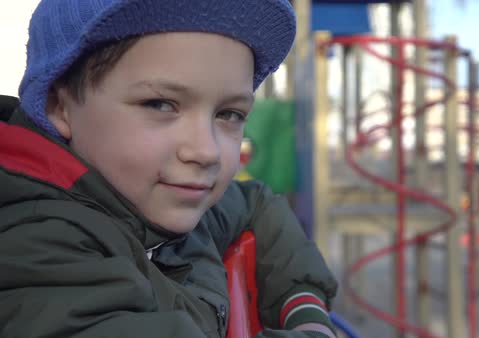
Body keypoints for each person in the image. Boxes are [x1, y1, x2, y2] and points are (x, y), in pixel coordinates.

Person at [0, 1, 338, 337]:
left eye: (229, 114)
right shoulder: (35, 252)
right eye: (160, 104)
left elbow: (257, 203)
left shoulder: (150, 200)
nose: (206, 151)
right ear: (59, 106)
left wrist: (303, 306)